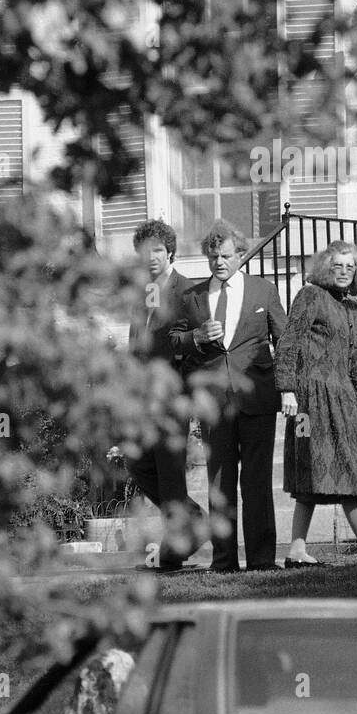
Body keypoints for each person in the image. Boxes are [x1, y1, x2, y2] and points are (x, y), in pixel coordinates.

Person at [171, 219, 286, 573]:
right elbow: (173, 339)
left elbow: (286, 339)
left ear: (241, 254)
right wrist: (197, 337)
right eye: (212, 257)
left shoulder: (263, 291)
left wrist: (289, 386)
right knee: (220, 482)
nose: (219, 262)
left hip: (257, 397)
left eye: (225, 256)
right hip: (213, 401)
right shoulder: (192, 297)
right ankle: (223, 561)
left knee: (257, 481)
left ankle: (262, 559)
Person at [274, 240, 357, 566]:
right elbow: (289, 342)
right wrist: (286, 389)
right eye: (337, 266)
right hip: (310, 400)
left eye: (350, 267)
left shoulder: (355, 311)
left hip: (344, 401)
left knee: (347, 469)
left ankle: (302, 551)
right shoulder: (310, 295)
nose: (343, 272)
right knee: (315, 472)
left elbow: (356, 362)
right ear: (327, 268)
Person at [127, 218, 204, 572]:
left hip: (173, 397)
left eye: (158, 249)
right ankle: (194, 519)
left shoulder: (186, 291)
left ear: (170, 251)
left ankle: (175, 549)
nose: (151, 256)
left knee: (170, 473)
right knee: (139, 463)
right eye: (145, 251)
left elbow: (194, 346)